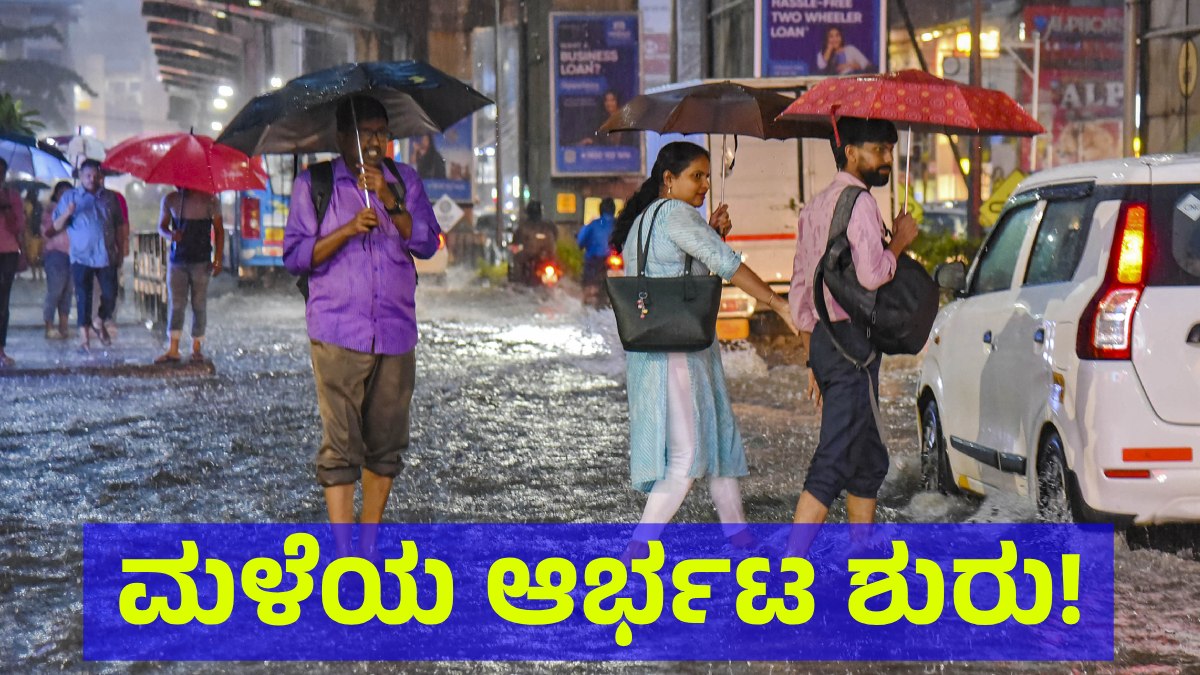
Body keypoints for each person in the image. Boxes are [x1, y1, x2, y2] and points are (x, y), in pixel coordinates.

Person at [612, 141, 797, 559]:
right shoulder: (676, 214)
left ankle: (741, 539)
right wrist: (777, 303)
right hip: (676, 352)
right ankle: (636, 550)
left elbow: (682, 266)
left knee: (717, 444)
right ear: (669, 179)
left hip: (665, 349)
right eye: (696, 176)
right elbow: (726, 263)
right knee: (686, 457)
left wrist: (711, 233)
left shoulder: (645, 219)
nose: (705, 185)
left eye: (708, 176)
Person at [283, 95, 442, 555]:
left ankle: (367, 547)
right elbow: (296, 256)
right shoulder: (314, 185)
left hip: (395, 329)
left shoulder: (404, 180)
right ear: (342, 137)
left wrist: (392, 201)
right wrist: (347, 230)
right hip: (337, 331)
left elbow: (428, 243)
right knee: (340, 443)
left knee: (386, 444)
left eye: (381, 132)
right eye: (364, 132)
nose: (374, 142)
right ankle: (343, 552)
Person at [786, 117, 918, 556]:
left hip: (828, 342)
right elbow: (873, 274)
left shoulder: (816, 205)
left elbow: (801, 289)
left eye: (889, 151)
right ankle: (790, 567)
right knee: (834, 456)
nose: (887, 159)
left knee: (868, 458)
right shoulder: (860, 203)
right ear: (850, 152)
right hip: (853, 348)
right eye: (878, 150)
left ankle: (861, 558)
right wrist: (899, 241)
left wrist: (813, 356)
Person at [53, 159, 123, 352]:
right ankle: (84, 337)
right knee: (83, 296)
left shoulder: (109, 197)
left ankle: (99, 321)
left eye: (95, 175)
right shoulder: (70, 197)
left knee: (111, 294)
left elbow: (119, 225)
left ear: (101, 176)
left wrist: (121, 248)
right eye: (88, 176)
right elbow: (56, 226)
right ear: (81, 177)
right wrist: (67, 213)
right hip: (81, 256)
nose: (92, 179)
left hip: (106, 254)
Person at [154, 188, 224, 364]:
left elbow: (219, 230)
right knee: (176, 304)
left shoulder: (211, 200)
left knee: (199, 304)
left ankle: (196, 348)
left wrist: (218, 259)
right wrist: (171, 234)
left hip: (201, 260)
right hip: (177, 261)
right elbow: (161, 227)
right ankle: (173, 348)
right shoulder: (170, 200)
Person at [40, 181, 74, 340]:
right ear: (56, 194)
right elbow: (48, 231)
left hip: (72, 255)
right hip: (55, 253)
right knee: (55, 291)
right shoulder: (51, 210)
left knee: (67, 292)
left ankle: (63, 326)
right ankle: (49, 326)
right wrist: (66, 218)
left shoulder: (75, 211)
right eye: (62, 193)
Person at [0, 158, 25, 367]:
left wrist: (6, 208)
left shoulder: (12, 196)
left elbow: (18, 227)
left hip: (7, 252)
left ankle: (0, 349)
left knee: (2, 302)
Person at [576, 197, 616, 307]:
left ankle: (589, 296)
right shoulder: (620, 225)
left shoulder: (593, 224)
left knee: (589, 287)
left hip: (594, 262)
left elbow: (581, 241)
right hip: (616, 263)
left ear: (601, 210)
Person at [512, 200, 557, 284]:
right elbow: (555, 237)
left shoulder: (523, 226)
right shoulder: (549, 225)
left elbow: (516, 243)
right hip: (545, 256)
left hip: (534, 258)